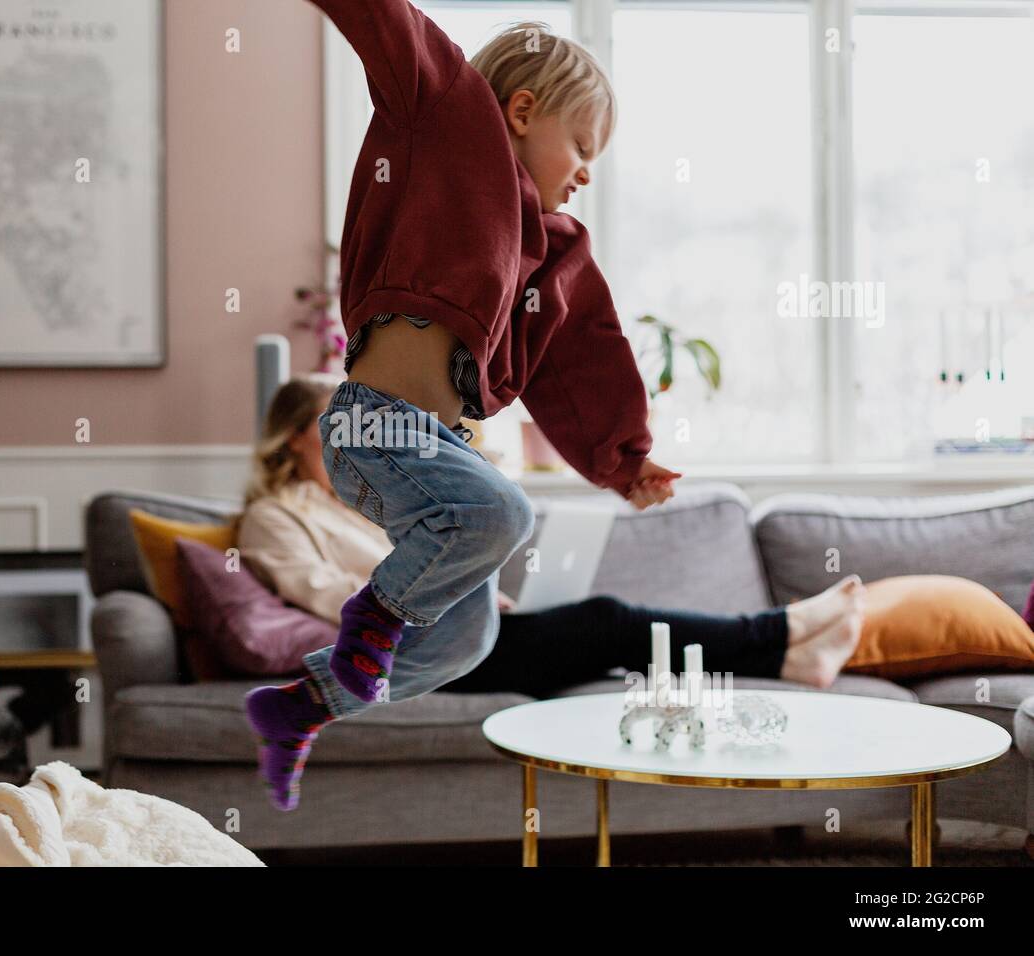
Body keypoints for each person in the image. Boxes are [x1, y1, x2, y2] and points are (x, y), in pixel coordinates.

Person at [245, 5, 697, 810]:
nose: (588, 171)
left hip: (440, 453)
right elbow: (387, 23)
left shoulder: (557, 248)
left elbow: (582, 357)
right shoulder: (445, 114)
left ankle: (300, 706)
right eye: (583, 147)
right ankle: (373, 621)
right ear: (523, 111)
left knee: (468, 638)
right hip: (372, 427)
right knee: (504, 515)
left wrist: (623, 461)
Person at [242, 379, 864, 810]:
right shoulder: (274, 516)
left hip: (448, 620)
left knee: (603, 634)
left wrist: (463, 584)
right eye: (331, 422)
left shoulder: (367, 497)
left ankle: (784, 654)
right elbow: (324, 591)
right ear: (298, 436)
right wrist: (433, 588)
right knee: (606, 622)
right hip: (414, 647)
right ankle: (779, 634)